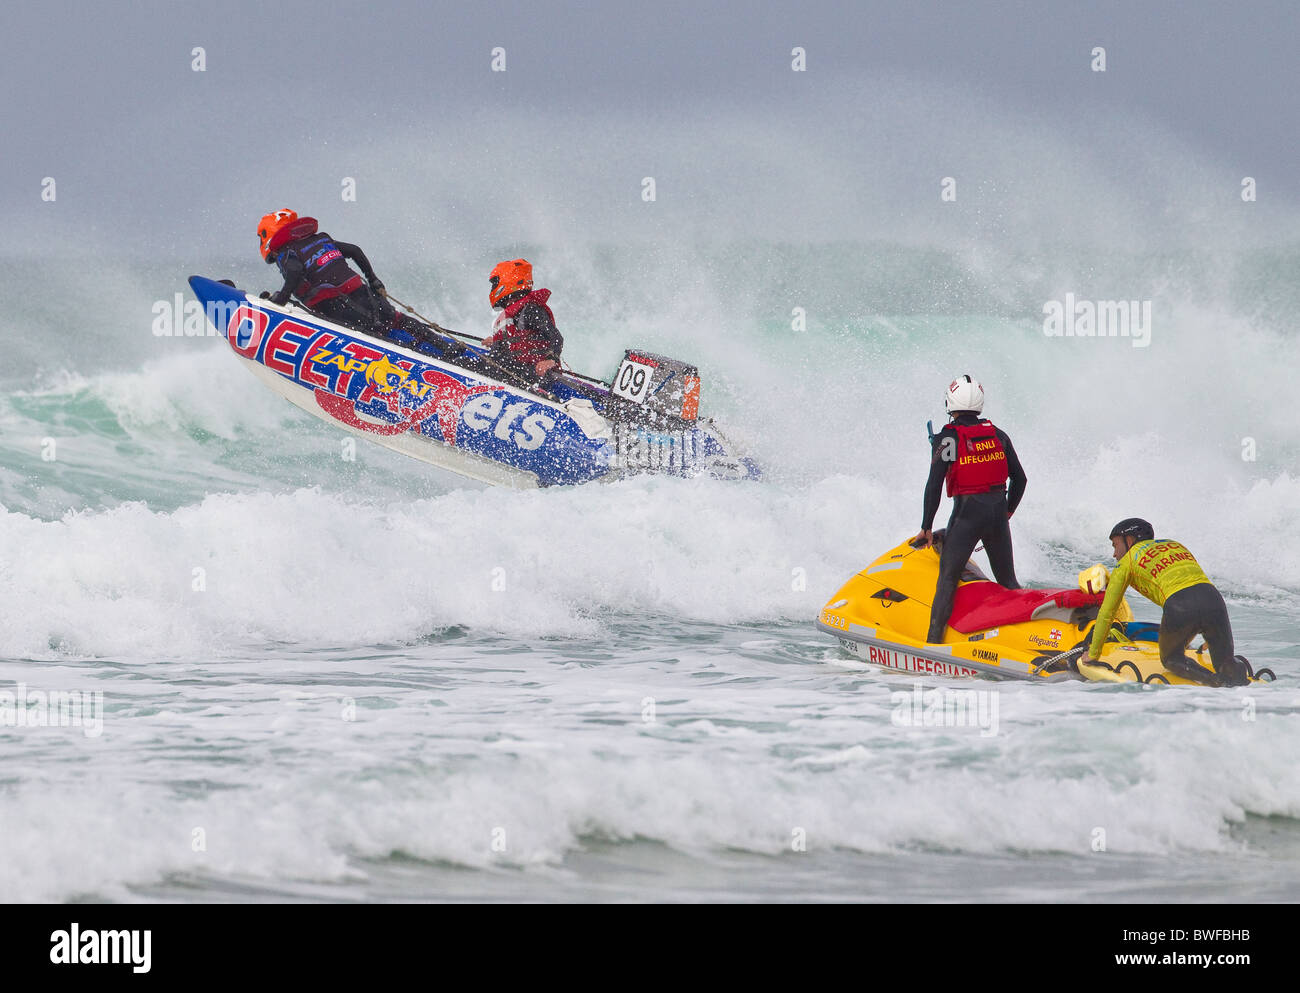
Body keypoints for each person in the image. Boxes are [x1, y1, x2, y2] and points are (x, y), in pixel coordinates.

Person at [256, 209, 463, 359]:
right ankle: (445, 348)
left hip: (336, 305)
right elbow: (354, 250)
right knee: (395, 319)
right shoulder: (321, 239)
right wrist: (372, 278)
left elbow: (294, 271)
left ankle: (432, 360)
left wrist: (281, 299)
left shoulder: (286, 253)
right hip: (362, 291)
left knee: (375, 335)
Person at [913, 375, 1028, 643]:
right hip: (998, 516)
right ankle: (1026, 639)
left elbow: (934, 486)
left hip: (966, 517)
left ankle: (933, 645)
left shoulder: (948, 439)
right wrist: (1006, 513)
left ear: (950, 402)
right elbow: (1020, 479)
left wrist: (927, 527)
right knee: (1008, 583)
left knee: (948, 580)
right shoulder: (997, 435)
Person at [1082, 519, 1248, 686]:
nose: (1114, 554)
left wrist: (1093, 653)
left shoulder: (1127, 561)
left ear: (1129, 540)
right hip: (1214, 599)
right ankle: (1244, 684)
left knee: (1171, 660)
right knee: (1225, 663)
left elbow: (1108, 611)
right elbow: (1196, 587)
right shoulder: (1175, 545)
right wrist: (1211, 634)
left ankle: (1214, 681)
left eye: (1115, 545)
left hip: (1180, 605)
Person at [481, 259, 564, 386]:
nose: (493, 288)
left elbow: (555, 337)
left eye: (495, 283)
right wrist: (499, 343)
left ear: (507, 281)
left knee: (464, 362)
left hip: (531, 375)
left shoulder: (530, 309)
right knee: (478, 360)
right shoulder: (516, 311)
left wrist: (550, 360)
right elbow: (522, 342)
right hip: (518, 370)